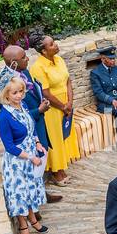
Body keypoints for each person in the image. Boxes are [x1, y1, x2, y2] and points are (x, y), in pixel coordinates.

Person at [0, 44, 62, 204]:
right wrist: (38, 110)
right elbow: (13, 115)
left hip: (37, 125)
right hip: (24, 134)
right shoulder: (3, 84)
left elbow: (32, 91)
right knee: (31, 167)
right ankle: (33, 207)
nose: (28, 59)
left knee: (42, 156)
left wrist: (41, 100)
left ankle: (40, 193)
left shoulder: (24, 71)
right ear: (13, 63)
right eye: (23, 58)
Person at [0, 72, 48, 234]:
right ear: (6, 95)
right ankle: (23, 225)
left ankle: (33, 220)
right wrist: (31, 157)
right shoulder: (4, 116)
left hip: (31, 154)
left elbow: (31, 129)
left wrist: (38, 142)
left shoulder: (23, 106)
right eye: (14, 93)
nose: (19, 96)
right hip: (17, 161)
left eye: (21, 91)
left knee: (30, 191)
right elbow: (9, 146)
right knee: (20, 194)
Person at [29, 35, 81, 186]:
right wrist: (63, 106)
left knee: (65, 135)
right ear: (44, 51)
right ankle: (56, 171)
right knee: (55, 138)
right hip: (52, 108)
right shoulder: (38, 68)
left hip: (66, 104)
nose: (56, 45)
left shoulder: (59, 60)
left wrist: (70, 103)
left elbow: (68, 81)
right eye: (51, 44)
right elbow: (45, 92)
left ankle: (62, 165)